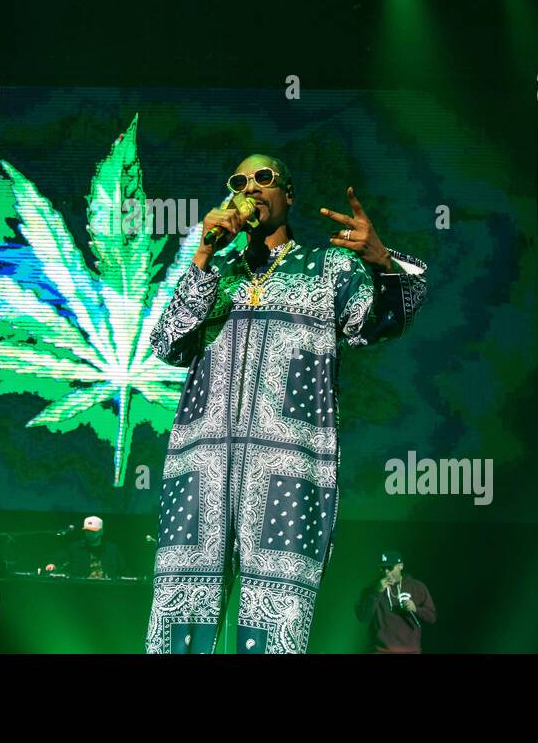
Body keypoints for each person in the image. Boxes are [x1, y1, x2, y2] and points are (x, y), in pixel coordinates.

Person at [145, 155, 428, 653]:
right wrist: (203, 258)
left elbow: (383, 322)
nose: (250, 188)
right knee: (181, 615)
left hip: (288, 471)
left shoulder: (327, 268)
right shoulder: (217, 276)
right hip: (201, 467)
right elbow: (168, 345)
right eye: (239, 181)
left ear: (288, 193)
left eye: (264, 178)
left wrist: (382, 261)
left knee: (274, 625)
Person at [354, 549, 437, 653]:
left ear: (400, 566)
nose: (386, 572)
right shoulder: (371, 589)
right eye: (382, 568)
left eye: (389, 567)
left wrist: (416, 609)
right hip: (381, 651)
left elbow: (432, 617)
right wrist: (376, 593)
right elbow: (362, 617)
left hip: (410, 651)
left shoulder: (417, 587)